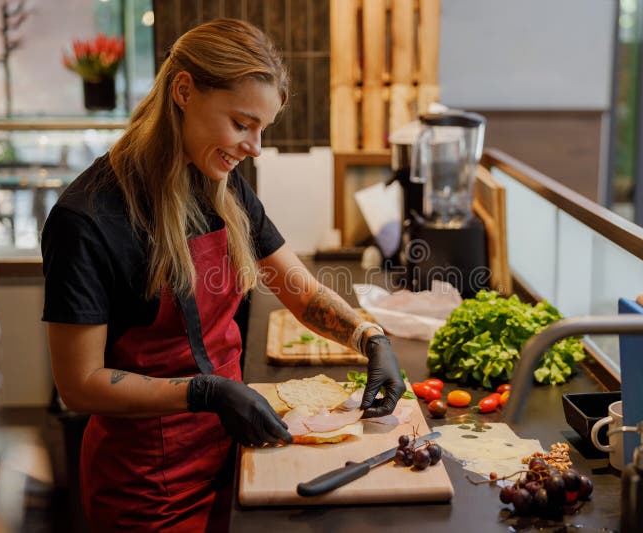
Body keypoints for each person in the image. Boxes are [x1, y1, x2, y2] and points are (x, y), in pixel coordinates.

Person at [42, 18, 405, 531]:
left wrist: (370, 337)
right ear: (184, 91)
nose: (254, 147)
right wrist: (204, 392)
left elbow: (299, 291)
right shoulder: (88, 218)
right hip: (147, 489)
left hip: (238, 453)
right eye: (241, 123)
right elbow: (79, 385)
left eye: (262, 128)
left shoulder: (222, 182)